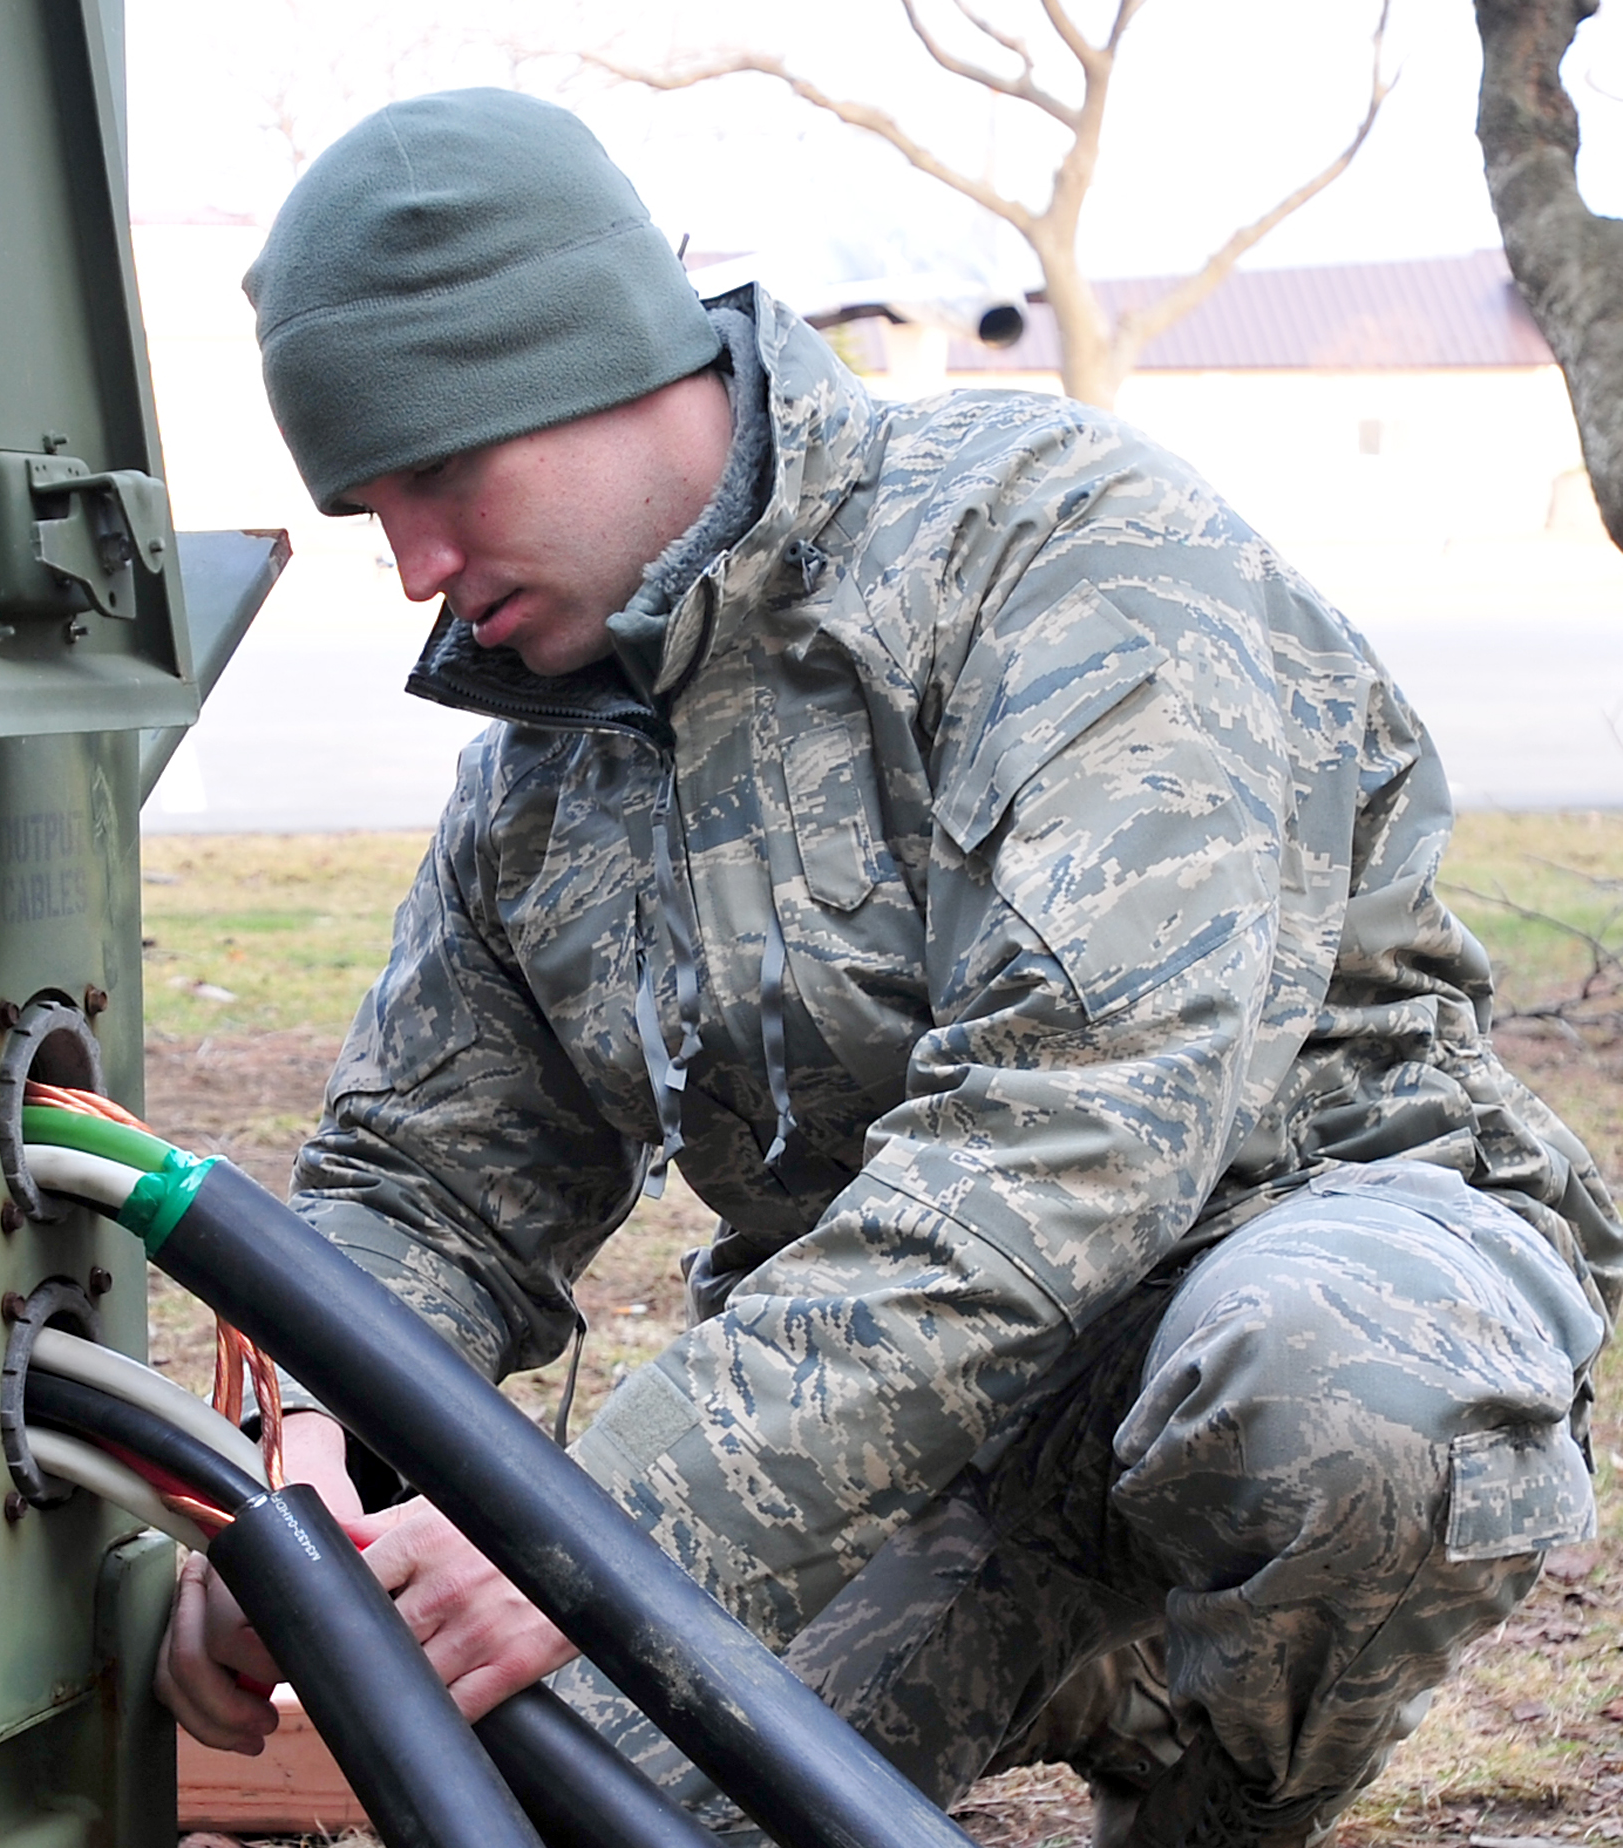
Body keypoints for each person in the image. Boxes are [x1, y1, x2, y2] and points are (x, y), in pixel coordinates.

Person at [153, 88, 1618, 1848]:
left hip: (1301, 1258)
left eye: (444, 477)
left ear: (606, 363)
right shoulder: (543, 763)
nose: (415, 574)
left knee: (1339, 1399)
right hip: (931, 1442)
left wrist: (599, 1539)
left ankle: (1216, 1777)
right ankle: (1084, 1656)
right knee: (577, 1804)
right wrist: (295, 1458)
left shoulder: (1055, 545)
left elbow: (1077, 1134)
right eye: (369, 507)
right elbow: (429, 1188)